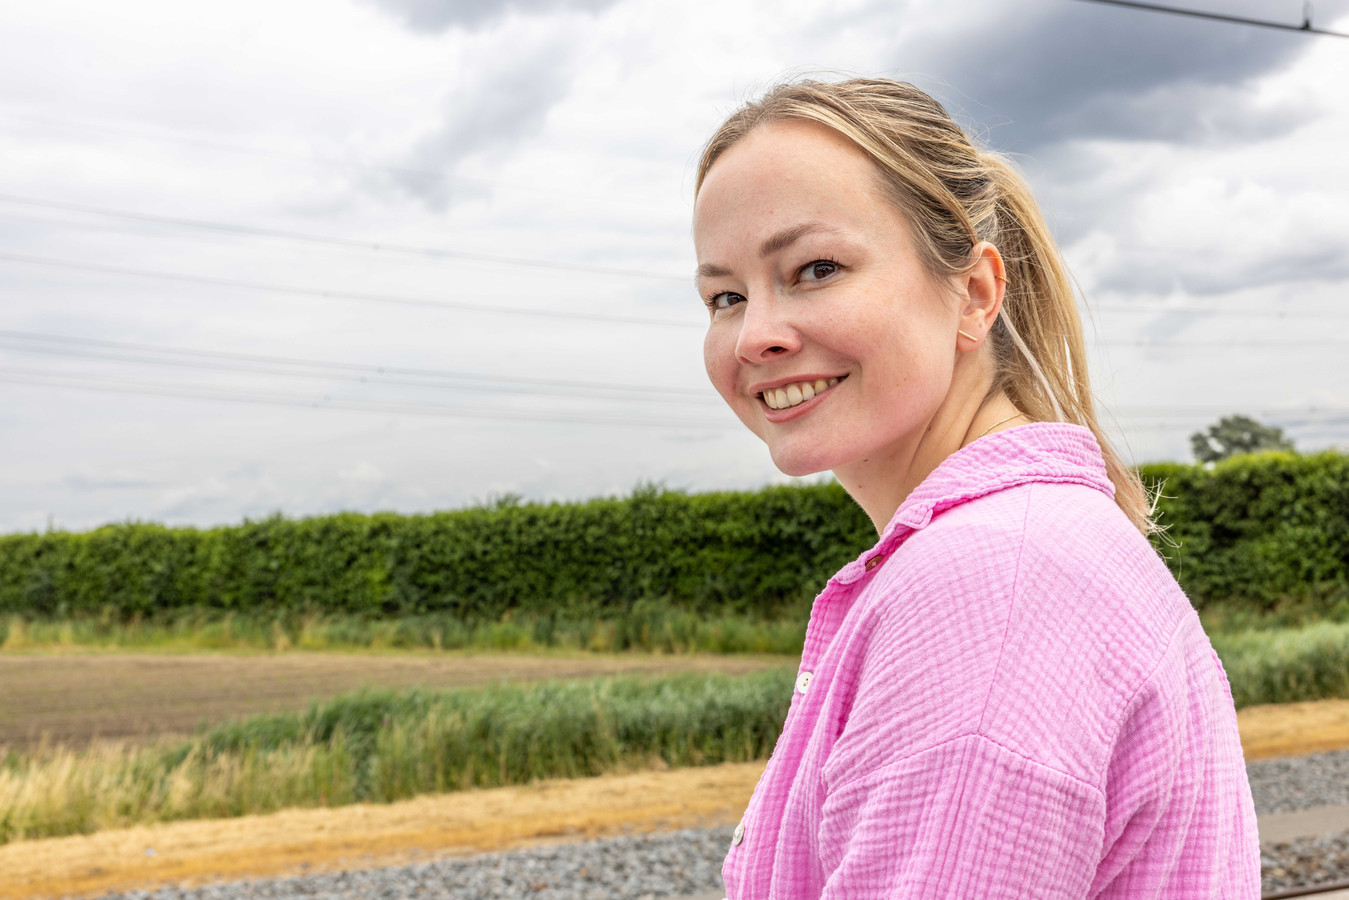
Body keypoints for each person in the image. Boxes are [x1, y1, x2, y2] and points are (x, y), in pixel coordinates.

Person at [692, 78, 1260, 898]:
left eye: (815, 268)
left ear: (974, 293)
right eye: (725, 297)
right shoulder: (1025, 547)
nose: (756, 336)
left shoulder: (993, 584)